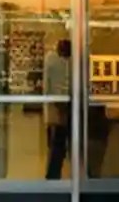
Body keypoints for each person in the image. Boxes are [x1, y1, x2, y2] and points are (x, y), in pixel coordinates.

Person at [43, 39, 71, 179]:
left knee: (56, 144)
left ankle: (53, 176)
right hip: (65, 105)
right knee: (60, 142)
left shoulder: (50, 59)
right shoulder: (71, 61)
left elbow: (47, 84)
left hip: (57, 105)